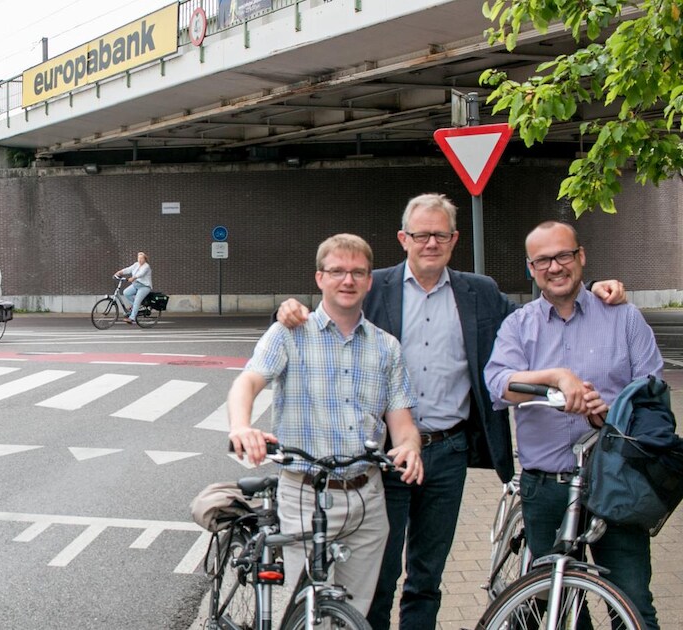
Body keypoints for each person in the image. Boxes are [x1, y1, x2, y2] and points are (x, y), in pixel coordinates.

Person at [274, 194, 626, 630]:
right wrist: (288, 309)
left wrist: (592, 291)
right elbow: (326, 312)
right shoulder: (371, 284)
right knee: (379, 577)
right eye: (421, 234)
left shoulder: (478, 292)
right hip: (385, 453)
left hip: (446, 453)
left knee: (427, 576)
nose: (430, 243)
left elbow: (538, 319)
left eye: (440, 234)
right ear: (404, 238)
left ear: (455, 239)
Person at [229, 233, 424, 619]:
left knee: (353, 613)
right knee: (299, 613)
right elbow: (248, 381)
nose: (347, 280)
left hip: (368, 500)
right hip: (304, 496)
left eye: (357, 272)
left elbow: (402, 422)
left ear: (370, 280)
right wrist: (241, 426)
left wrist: (410, 447)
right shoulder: (289, 333)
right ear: (320, 278)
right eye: (337, 271)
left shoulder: (387, 347)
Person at [485, 221, 663, 629]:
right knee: (558, 605)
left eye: (563, 255)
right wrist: (555, 377)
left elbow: (653, 397)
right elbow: (497, 384)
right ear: (531, 268)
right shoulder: (520, 326)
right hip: (545, 486)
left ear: (581, 257)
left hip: (616, 481)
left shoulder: (624, 318)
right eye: (543, 260)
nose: (555, 266)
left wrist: (609, 414)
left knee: (632, 601)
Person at [115, 251, 152, 324]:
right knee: (126, 293)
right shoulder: (136, 264)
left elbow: (141, 274)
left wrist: (133, 278)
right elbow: (128, 269)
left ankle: (132, 318)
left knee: (137, 301)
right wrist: (120, 272)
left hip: (144, 287)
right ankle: (135, 307)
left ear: (145, 259)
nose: (140, 260)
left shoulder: (146, 266)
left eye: (141, 258)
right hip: (136, 285)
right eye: (138, 258)